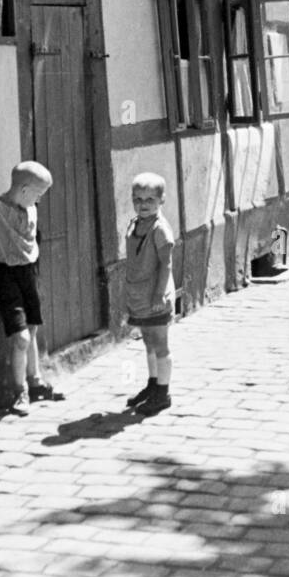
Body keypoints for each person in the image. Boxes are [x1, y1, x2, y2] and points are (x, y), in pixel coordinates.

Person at [0, 160, 64, 414]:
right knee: (21, 338)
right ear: (24, 190)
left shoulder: (30, 207)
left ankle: (36, 384)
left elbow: (33, 238)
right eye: (38, 194)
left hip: (29, 273)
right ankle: (19, 391)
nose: (40, 200)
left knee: (32, 331)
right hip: (6, 276)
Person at [125, 172, 176, 416]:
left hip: (156, 298)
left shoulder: (159, 229)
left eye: (149, 200)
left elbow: (166, 264)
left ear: (161, 200)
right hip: (140, 297)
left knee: (160, 344)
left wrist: (159, 295)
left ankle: (163, 393)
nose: (143, 205)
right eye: (138, 199)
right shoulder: (135, 224)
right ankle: (153, 384)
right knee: (148, 343)